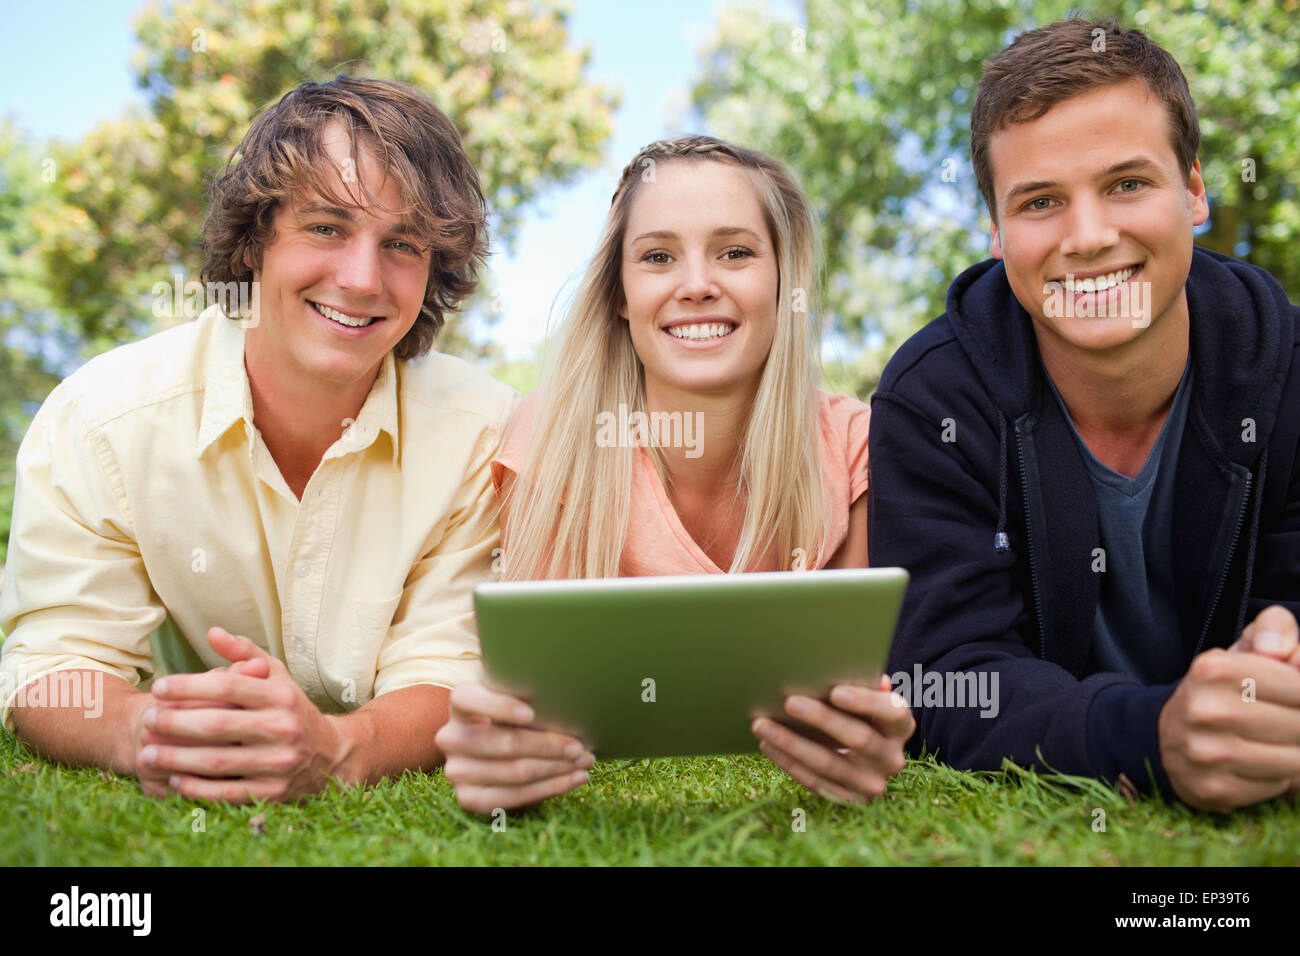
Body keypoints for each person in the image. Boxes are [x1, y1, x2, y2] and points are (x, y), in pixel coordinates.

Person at [0, 76, 516, 803]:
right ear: (255, 241)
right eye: (327, 227)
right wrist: (148, 730)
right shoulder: (100, 418)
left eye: (402, 243)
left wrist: (340, 747)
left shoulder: (485, 433)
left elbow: (449, 667)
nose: (362, 279)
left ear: (435, 269)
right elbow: (55, 660)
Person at [868, 18, 1300, 812]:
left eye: (1127, 184)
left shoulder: (1290, 370)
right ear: (995, 231)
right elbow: (947, 672)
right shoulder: (932, 402)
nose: (1090, 237)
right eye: (1040, 202)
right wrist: (1148, 735)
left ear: (1194, 190)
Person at [435, 135, 915, 815]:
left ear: (784, 282)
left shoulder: (852, 444)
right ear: (622, 294)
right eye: (658, 257)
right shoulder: (551, 440)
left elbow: (868, 687)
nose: (697, 285)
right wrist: (499, 750)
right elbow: (527, 702)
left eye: (736, 252)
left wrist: (868, 733)